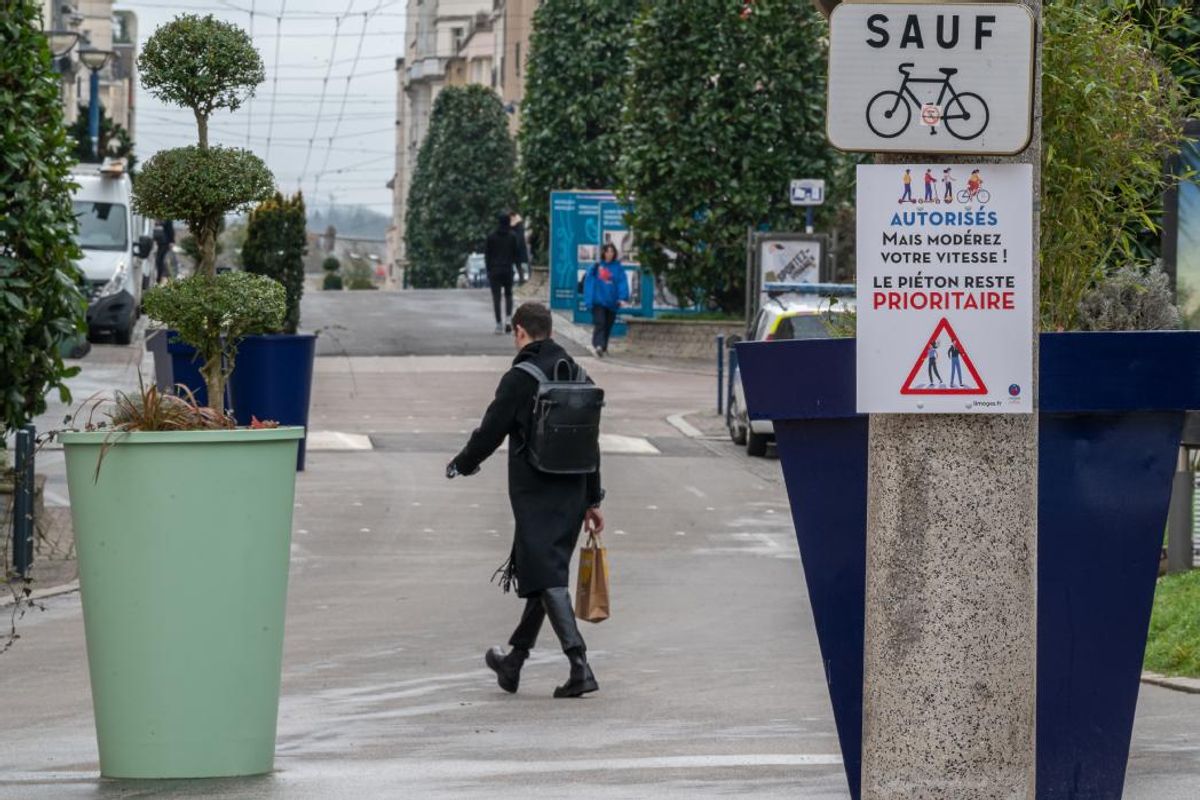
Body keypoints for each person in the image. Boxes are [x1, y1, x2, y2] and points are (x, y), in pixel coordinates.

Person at [447, 302, 605, 698]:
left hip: (535, 494)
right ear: (549, 331)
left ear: (519, 332)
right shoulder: (579, 374)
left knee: (547, 577)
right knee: (543, 574)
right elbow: (591, 444)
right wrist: (592, 499)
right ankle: (513, 662)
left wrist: (462, 464)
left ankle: (580, 664)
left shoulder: (520, 378)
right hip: (572, 491)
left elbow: (490, 431)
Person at [582, 243, 630, 357]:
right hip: (598, 301)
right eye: (607, 251)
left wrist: (622, 298)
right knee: (600, 323)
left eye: (611, 251)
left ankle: (603, 347)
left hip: (612, 302)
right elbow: (589, 279)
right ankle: (598, 345)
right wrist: (588, 300)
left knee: (608, 325)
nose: (609, 254)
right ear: (603, 253)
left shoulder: (618, 268)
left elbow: (622, 283)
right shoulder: (596, 267)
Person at [485, 213, 520, 334]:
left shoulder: (491, 237)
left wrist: (488, 270)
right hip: (508, 270)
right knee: (508, 295)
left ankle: (499, 324)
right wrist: (519, 270)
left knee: (496, 297)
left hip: (495, 270)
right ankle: (509, 319)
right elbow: (516, 254)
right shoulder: (512, 236)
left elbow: (487, 256)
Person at [510, 212, 530, 285]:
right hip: (512, 246)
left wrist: (515, 246)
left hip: (517, 247)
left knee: (518, 264)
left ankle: (521, 279)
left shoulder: (519, 223)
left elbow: (519, 236)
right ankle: (513, 280)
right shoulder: (512, 223)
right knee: (513, 264)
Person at [154, 219, 175, 284]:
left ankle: (161, 277)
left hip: (165, 241)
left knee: (160, 260)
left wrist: (171, 241)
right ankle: (161, 277)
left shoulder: (167, 218)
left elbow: (170, 230)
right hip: (163, 241)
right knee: (160, 260)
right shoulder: (166, 218)